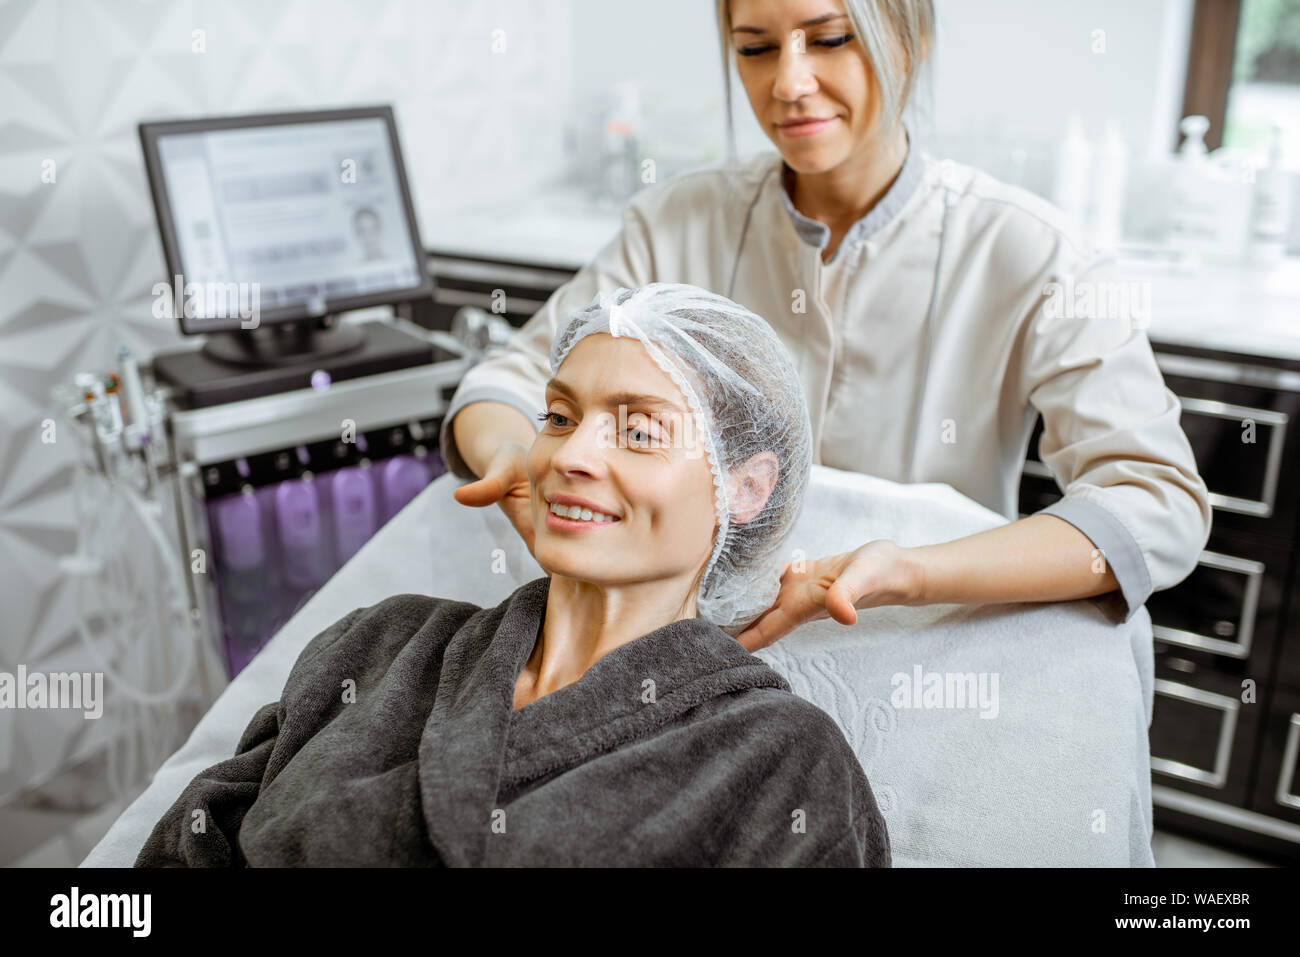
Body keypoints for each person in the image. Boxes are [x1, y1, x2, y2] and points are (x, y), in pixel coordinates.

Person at [439, 0, 1212, 652]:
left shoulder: (1033, 255)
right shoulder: (679, 220)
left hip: (916, 646)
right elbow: (503, 382)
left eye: (831, 38)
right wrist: (519, 461)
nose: (790, 82)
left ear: (912, 38)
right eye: (756, 48)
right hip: (684, 642)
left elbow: (1155, 502)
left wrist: (910, 572)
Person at [134, 284, 890, 868]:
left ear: (747, 486)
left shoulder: (780, 758)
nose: (569, 456)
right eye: (559, 417)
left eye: (638, 431)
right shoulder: (378, 645)